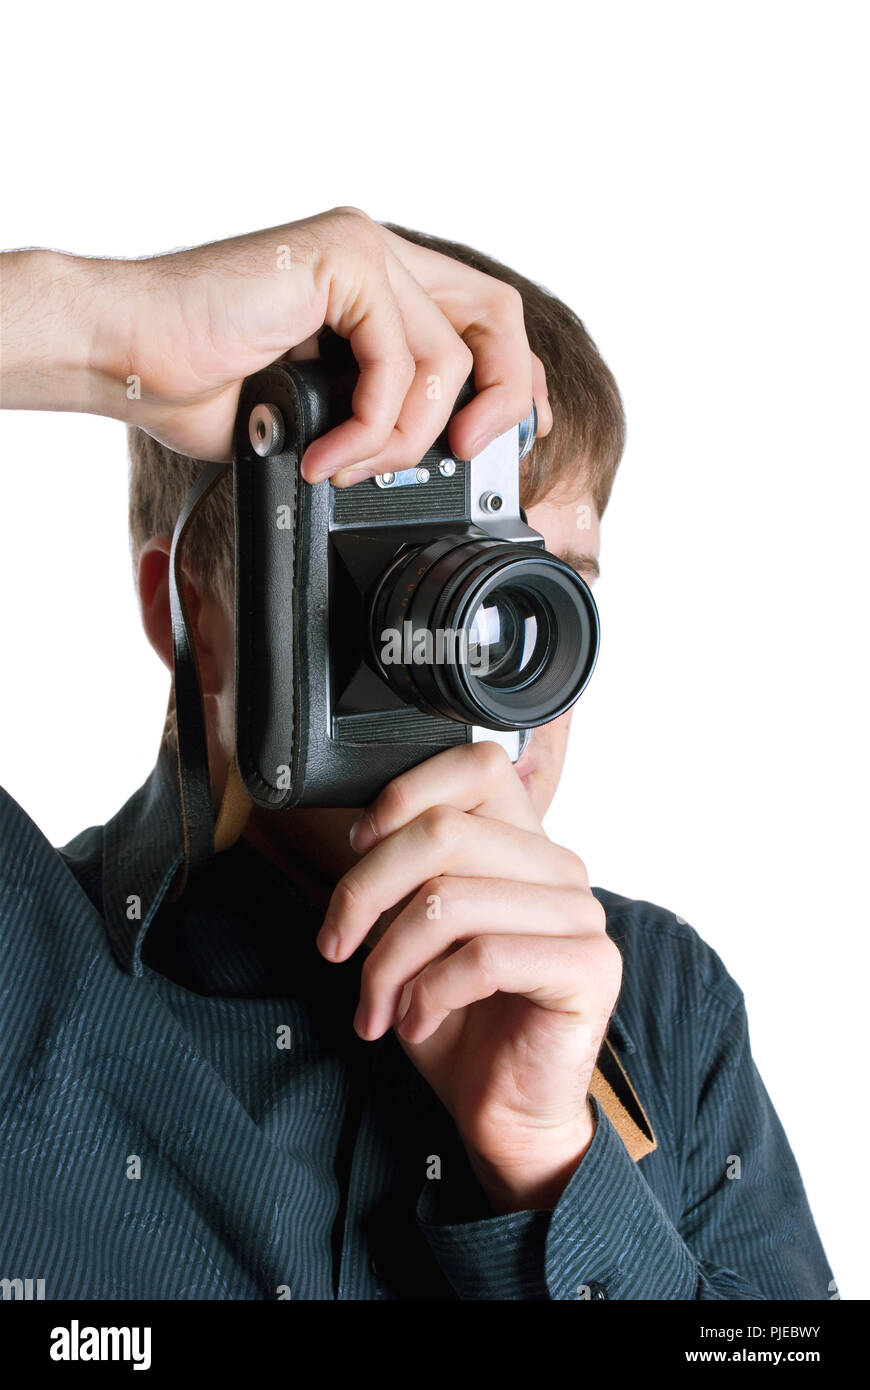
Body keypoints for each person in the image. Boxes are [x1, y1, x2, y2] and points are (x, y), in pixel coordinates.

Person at [0, 208, 834, 1300]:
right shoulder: (27, 963)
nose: (488, 670)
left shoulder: (662, 1009)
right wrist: (108, 331)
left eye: (540, 588)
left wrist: (554, 1170)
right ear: (187, 609)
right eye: (406, 565)